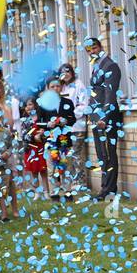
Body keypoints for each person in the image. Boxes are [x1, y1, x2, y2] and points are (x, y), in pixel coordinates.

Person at [85, 37, 122, 201]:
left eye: (93, 48)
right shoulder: (96, 66)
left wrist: (104, 117)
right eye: (88, 50)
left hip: (106, 117)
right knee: (101, 154)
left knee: (108, 153)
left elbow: (110, 94)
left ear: (100, 47)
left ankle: (109, 190)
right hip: (95, 116)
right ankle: (104, 187)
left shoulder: (110, 66)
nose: (91, 52)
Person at [37, 77, 76, 198]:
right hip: (51, 140)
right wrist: (48, 124)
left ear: (61, 87)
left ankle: (67, 191)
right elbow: (39, 122)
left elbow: (73, 119)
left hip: (65, 140)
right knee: (51, 168)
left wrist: (66, 121)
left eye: (57, 86)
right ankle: (54, 192)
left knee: (66, 166)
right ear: (48, 89)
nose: (55, 89)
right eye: (52, 87)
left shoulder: (67, 102)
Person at [58, 63, 90, 195]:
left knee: (76, 154)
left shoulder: (79, 85)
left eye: (68, 72)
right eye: (63, 72)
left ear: (72, 72)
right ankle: (69, 183)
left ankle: (80, 183)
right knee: (66, 154)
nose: (65, 75)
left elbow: (84, 104)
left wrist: (70, 116)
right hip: (63, 128)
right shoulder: (60, 87)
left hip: (77, 126)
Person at [19, 97, 49, 199]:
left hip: (41, 148)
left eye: (30, 104)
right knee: (34, 171)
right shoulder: (24, 120)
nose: (28, 107)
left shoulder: (41, 118)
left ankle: (46, 191)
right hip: (31, 148)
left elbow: (47, 132)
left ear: (35, 105)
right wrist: (33, 137)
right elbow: (23, 135)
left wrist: (42, 134)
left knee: (43, 170)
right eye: (26, 105)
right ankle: (37, 191)